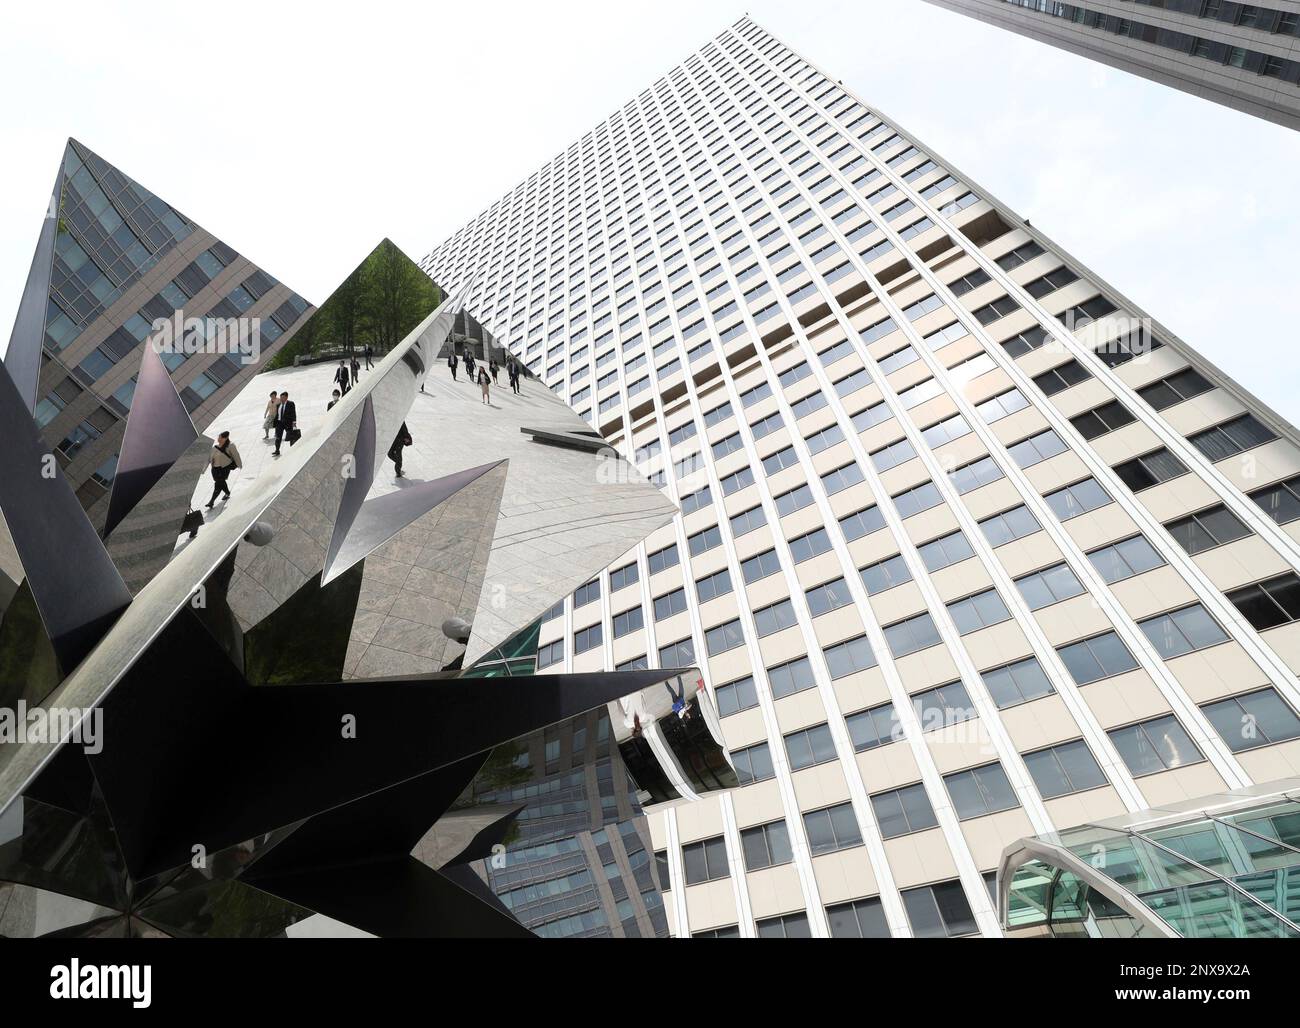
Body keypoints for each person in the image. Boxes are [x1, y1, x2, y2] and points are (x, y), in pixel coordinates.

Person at [205, 431, 242, 509]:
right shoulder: (214, 447)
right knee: (220, 483)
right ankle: (227, 492)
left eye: (220, 437)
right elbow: (208, 459)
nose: (218, 438)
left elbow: (236, 455)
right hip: (215, 469)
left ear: (225, 438)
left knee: (218, 484)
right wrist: (203, 469)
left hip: (224, 468)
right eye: (219, 437)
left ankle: (211, 502)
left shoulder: (230, 446)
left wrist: (239, 465)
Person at [272, 391, 297, 455]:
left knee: (292, 437)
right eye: (280, 398)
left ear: (286, 397)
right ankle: (277, 450)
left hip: (288, 423)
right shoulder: (278, 405)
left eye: (282, 397)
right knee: (278, 438)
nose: (281, 399)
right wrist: (275, 422)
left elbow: (293, 413)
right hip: (279, 424)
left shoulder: (290, 404)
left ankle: (294, 450)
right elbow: (277, 414)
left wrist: (294, 423)